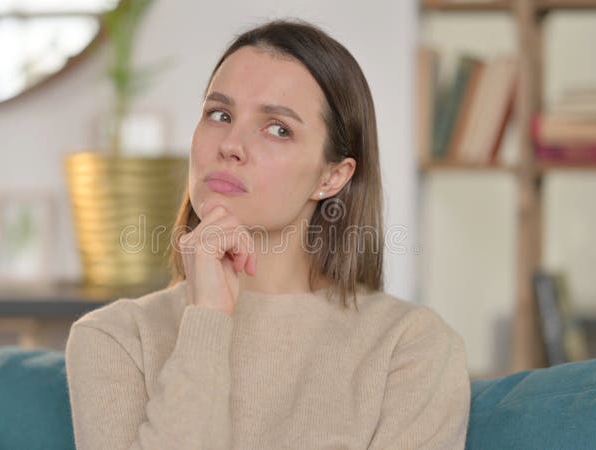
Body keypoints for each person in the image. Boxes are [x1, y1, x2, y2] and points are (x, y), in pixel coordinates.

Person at [65, 19, 470, 450]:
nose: (231, 145)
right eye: (219, 115)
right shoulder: (115, 338)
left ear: (333, 176)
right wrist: (207, 319)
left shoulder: (410, 346)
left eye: (278, 128)